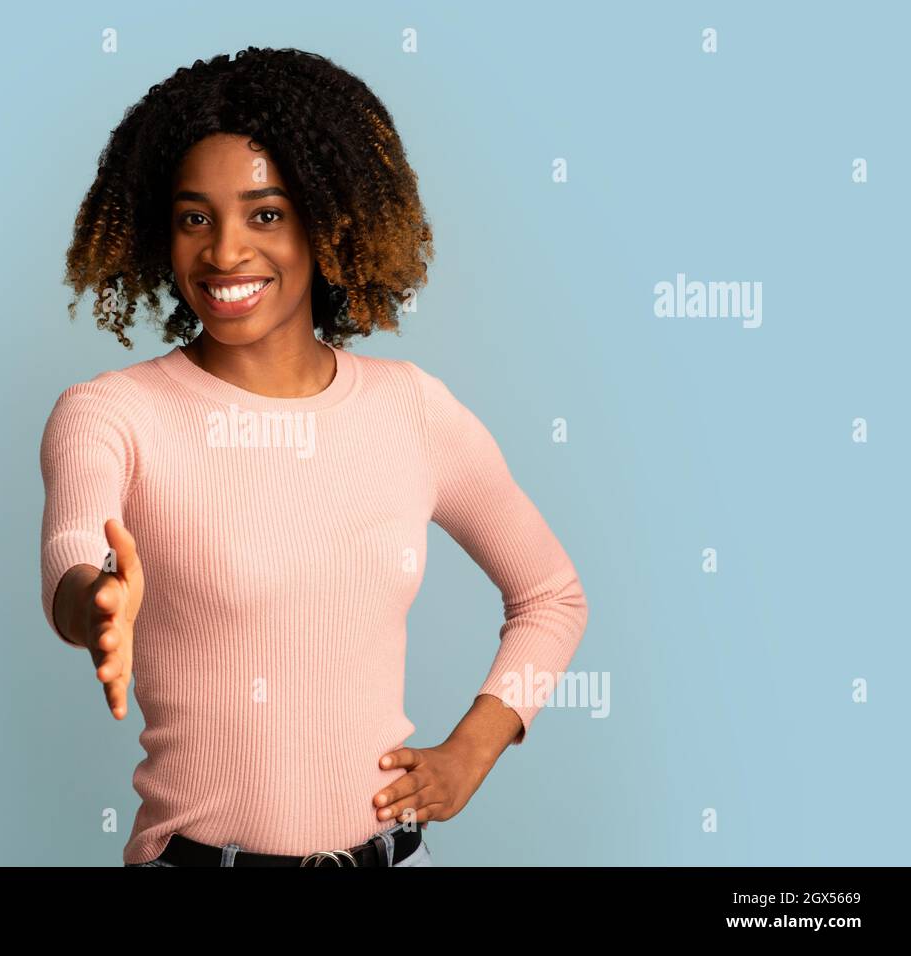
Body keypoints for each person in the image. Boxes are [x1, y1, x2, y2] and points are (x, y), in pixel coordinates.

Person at [41, 47, 589, 867]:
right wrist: (96, 607)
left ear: (329, 222)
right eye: (196, 217)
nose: (226, 252)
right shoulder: (113, 413)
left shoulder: (411, 408)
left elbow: (552, 596)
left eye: (266, 214)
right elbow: (73, 554)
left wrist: (473, 749)